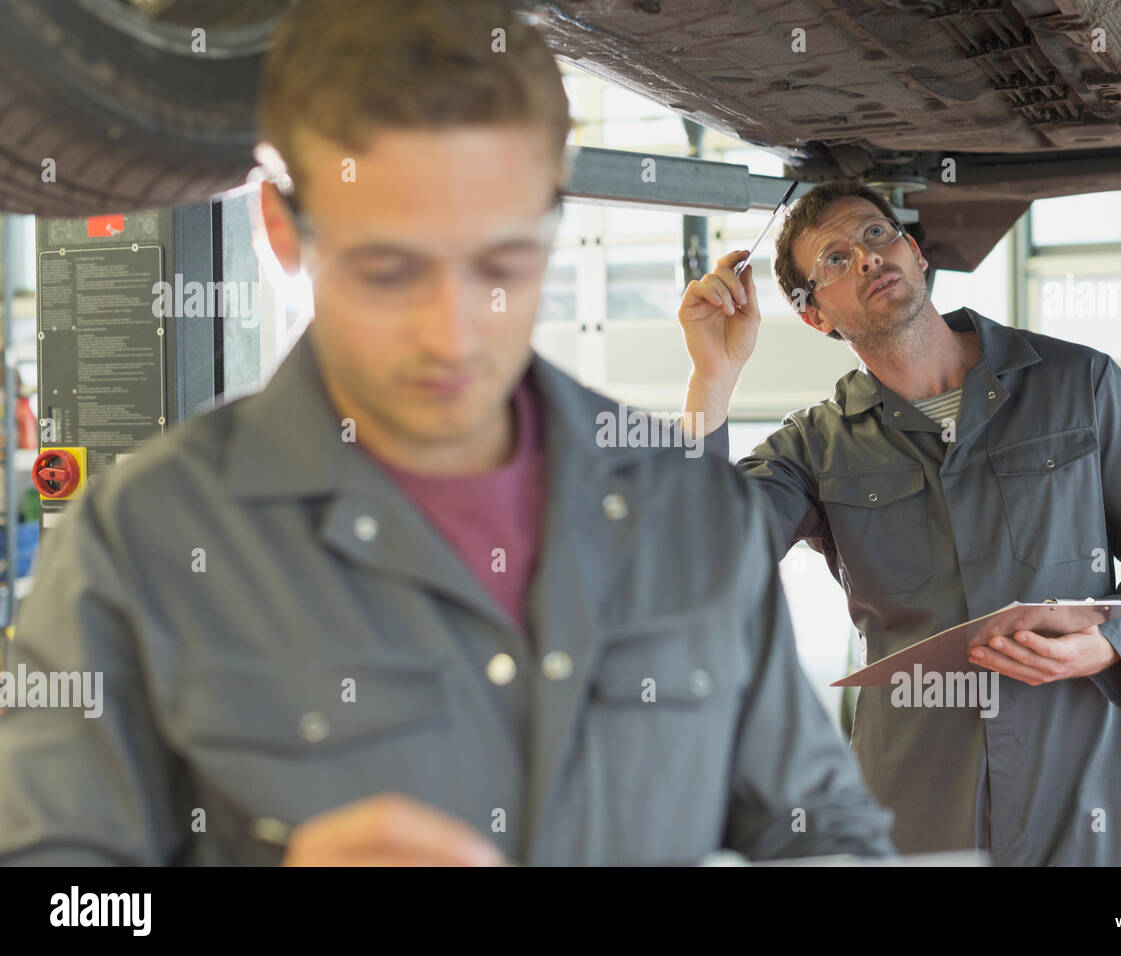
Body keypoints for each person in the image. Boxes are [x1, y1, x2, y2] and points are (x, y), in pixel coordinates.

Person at [0, 0, 895, 866]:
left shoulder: (686, 504)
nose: (452, 330)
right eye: (390, 270)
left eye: (500, 265)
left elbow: (824, 829)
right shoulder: (153, 534)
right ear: (284, 229)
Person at [678, 180, 1121, 865]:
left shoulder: (1077, 383)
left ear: (916, 254)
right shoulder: (815, 447)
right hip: (920, 806)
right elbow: (695, 559)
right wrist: (711, 380)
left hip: (1081, 790)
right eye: (835, 260)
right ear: (816, 318)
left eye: (877, 235)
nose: (867, 258)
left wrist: (1111, 646)